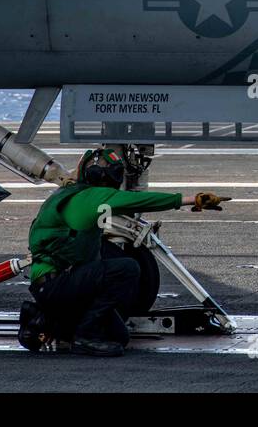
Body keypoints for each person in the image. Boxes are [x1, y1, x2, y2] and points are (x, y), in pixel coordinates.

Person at [23, 146, 229, 357]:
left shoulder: (70, 193)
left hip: (57, 284)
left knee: (118, 337)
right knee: (127, 268)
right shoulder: (93, 198)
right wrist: (192, 199)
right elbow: (143, 201)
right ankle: (85, 336)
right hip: (55, 283)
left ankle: (42, 319)